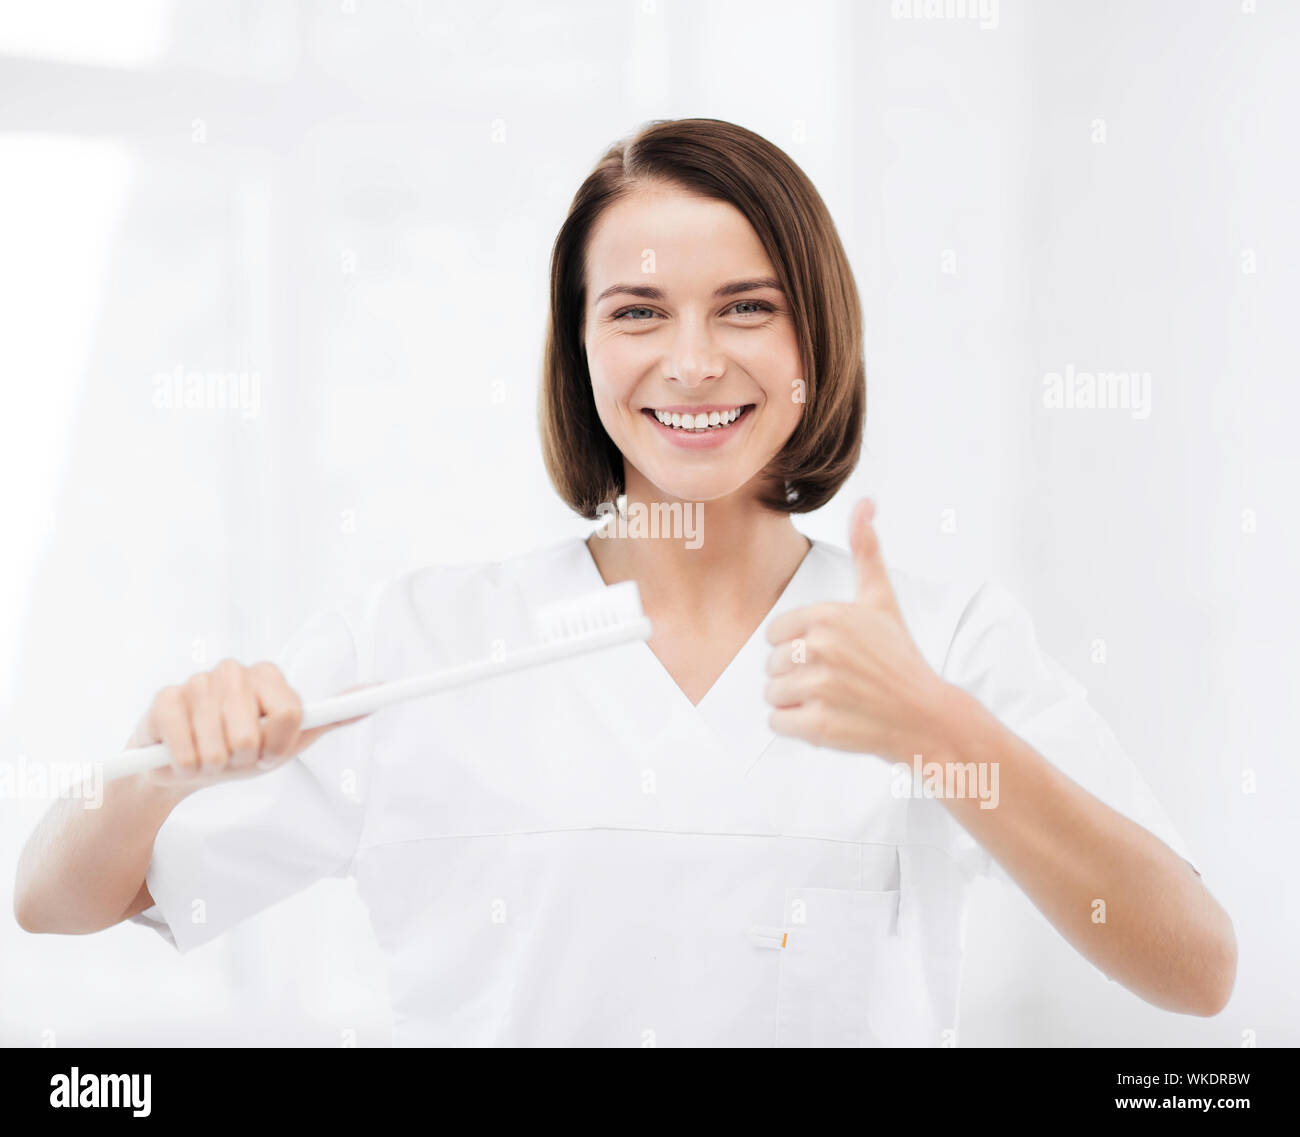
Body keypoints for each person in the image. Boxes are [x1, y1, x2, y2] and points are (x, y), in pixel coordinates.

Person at [14, 117, 1236, 1046]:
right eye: (639, 310)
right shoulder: (420, 639)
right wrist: (157, 766)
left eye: (747, 308)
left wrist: (936, 729)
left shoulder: (942, 641)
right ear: (583, 345)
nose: (693, 363)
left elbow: (1195, 968)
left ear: (818, 339)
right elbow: (60, 901)